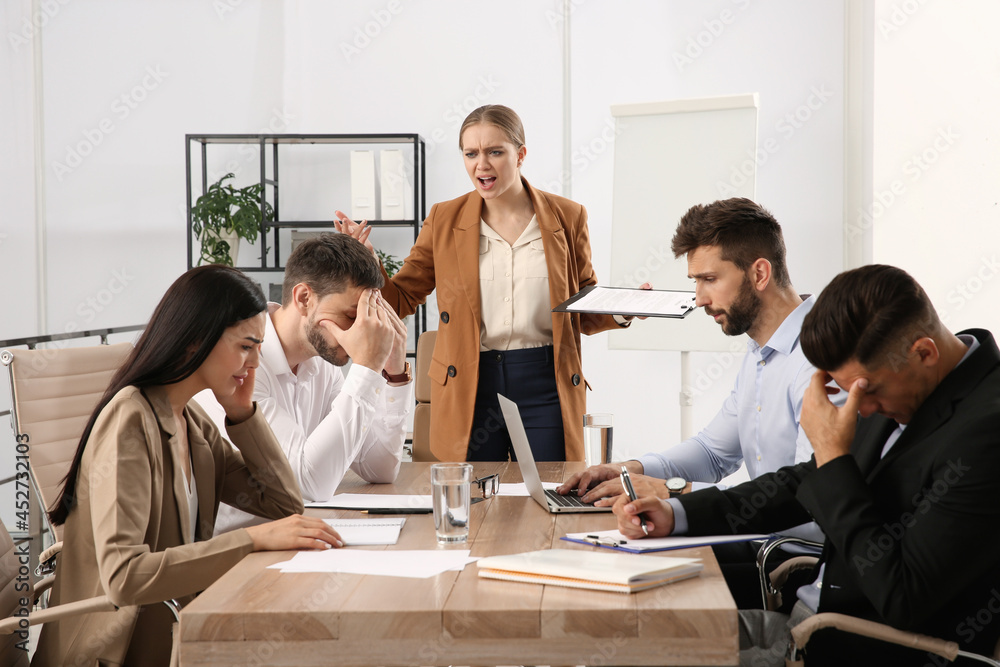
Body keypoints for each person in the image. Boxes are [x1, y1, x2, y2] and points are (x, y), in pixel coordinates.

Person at [614, 264, 1000, 666]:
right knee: (631, 637)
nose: (862, 409)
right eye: (847, 390)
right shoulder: (898, 381)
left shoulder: (986, 432)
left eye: (868, 393)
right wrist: (675, 514)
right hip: (806, 621)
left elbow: (903, 599)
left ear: (924, 352)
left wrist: (833, 456)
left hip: (860, 646)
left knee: (647, 656)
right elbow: (805, 481)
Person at [34, 265, 341, 667]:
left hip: (180, 635)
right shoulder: (131, 421)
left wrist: (243, 414)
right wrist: (252, 540)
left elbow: (285, 505)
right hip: (115, 653)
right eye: (246, 347)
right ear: (197, 340)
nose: (254, 363)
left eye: (258, 349)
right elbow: (124, 577)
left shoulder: (192, 422)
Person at [557, 198, 833, 607]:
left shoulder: (819, 358)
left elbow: (811, 497)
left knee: (623, 586)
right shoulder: (761, 352)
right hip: (755, 539)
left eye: (709, 279)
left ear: (759, 272)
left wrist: (677, 493)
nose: (699, 299)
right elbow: (712, 451)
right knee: (595, 562)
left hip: (790, 557)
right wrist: (631, 469)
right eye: (695, 282)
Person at [336, 104, 634, 462]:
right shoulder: (444, 219)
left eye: (495, 152)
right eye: (471, 153)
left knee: (555, 493)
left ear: (520, 154)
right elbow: (399, 299)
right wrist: (366, 261)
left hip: (547, 381)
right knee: (474, 498)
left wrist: (623, 312)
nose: (482, 164)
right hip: (470, 382)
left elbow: (582, 306)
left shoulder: (568, 216)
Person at [195, 233, 412, 532]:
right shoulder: (242, 366)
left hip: (297, 540)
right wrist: (366, 367)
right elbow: (309, 485)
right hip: (240, 556)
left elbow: (379, 467)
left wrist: (395, 372)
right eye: (351, 315)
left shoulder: (320, 362)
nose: (362, 330)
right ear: (304, 299)